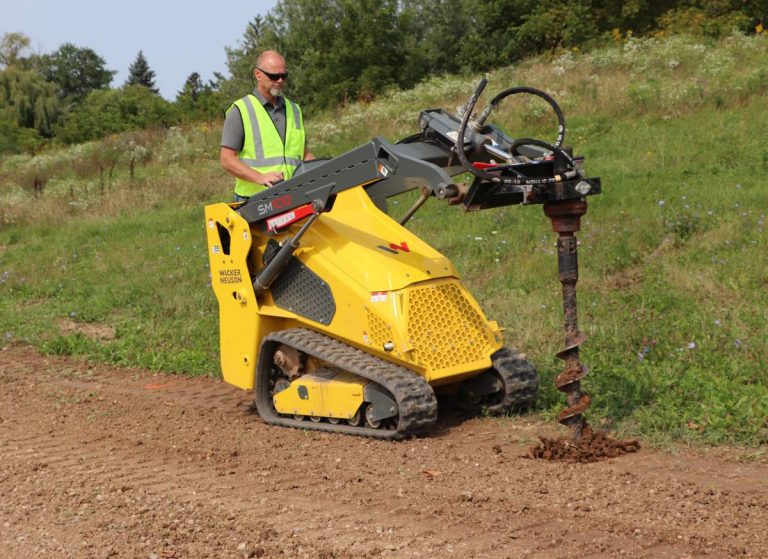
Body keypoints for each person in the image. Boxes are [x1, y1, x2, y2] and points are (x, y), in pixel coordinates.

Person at [220, 50, 314, 202]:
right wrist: (260, 177)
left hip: (293, 197)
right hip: (254, 202)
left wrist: (321, 171)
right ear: (258, 74)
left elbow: (303, 153)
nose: (280, 81)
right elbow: (226, 159)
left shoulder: (295, 109)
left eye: (284, 76)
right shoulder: (241, 110)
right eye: (274, 76)